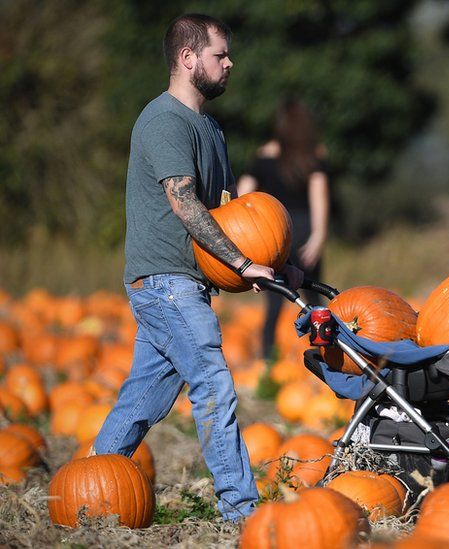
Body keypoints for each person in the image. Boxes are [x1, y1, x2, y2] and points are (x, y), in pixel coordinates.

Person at [93, 13, 302, 521]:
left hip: (186, 282)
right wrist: (240, 261)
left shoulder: (208, 127)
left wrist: (279, 264)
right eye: (220, 55)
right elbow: (184, 203)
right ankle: (242, 511)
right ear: (188, 59)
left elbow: (230, 214)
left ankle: (92, 485)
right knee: (213, 383)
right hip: (164, 281)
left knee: (146, 394)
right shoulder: (163, 121)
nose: (230, 63)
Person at [237, 97, 330, 359]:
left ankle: (267, 356)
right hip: (305, 230)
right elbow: (319, 196)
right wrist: (319, 236)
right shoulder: (314, 156)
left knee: (275, 301)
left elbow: (243, 194)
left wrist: (249, 232)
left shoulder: (264, 156)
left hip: (276, 230)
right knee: (315, 301)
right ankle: (327, 355)